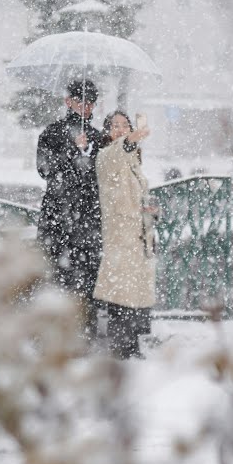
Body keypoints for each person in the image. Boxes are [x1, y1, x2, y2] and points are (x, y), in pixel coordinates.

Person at [36, 78, 105, 344]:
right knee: (54, 273)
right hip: (56, 216)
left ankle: (84, 332)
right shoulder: (51, 133)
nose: (86, 107)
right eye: (81, 102)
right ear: (68, 102)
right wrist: (70, 151)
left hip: (87, 217)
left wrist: (89, 153)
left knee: (87, 275)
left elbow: (102, 176)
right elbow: (44, 169)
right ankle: (52, 333)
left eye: (91, 103)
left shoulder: (98, 137)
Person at [91, 110, 157, 360]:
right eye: (115, 126)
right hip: (119, 236)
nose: (120, 130)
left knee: (133, 293)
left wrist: (149, 210)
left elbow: (136, 194)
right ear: (107, 131)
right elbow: (118, 152)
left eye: (125, 126)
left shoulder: (134, 161)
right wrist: (131, 138)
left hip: (137, 236)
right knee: (121, 294)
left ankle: (131, 346)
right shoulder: (107, 156)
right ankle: (122, 349)